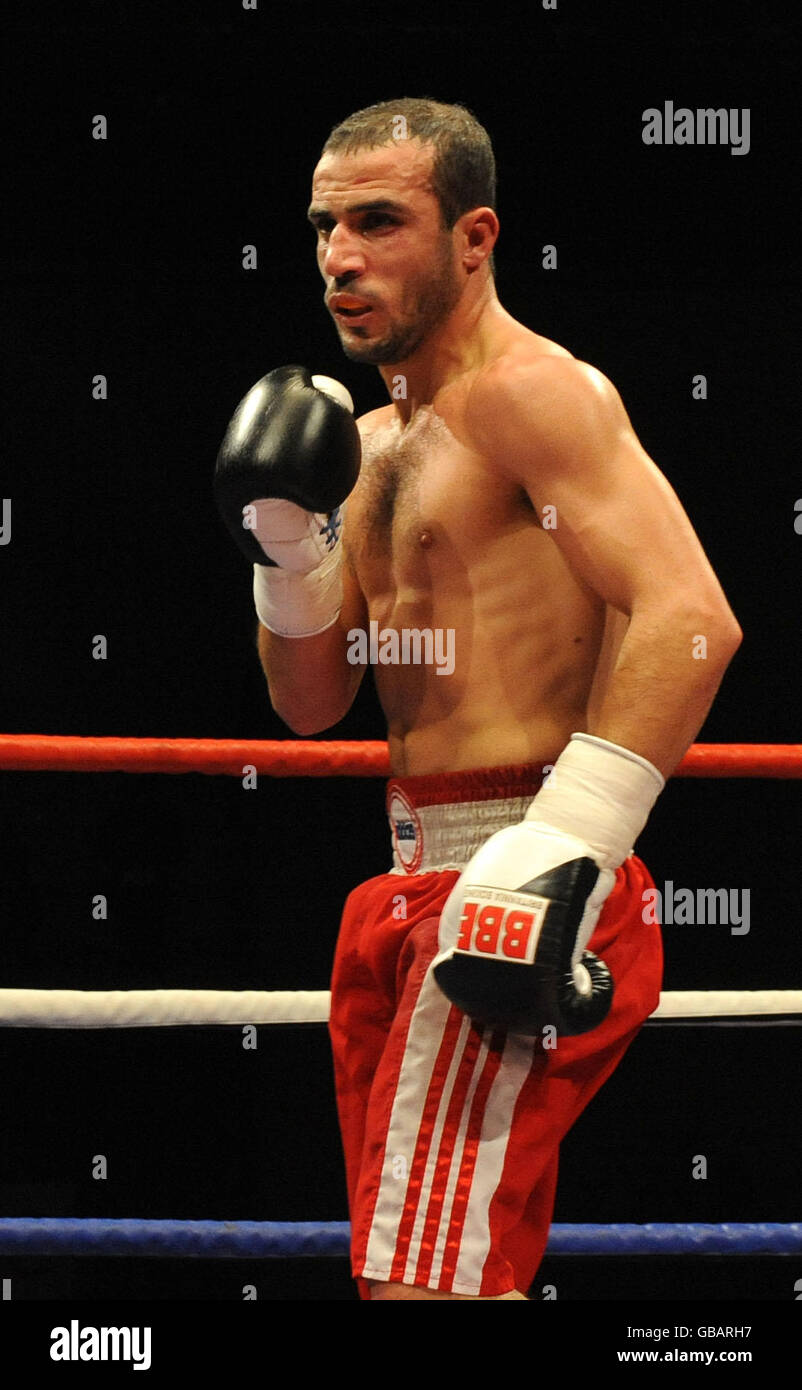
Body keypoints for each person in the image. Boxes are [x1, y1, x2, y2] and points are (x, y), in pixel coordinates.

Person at [215, 98, 742, 1300]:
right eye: (324, 226)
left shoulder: (533, 395)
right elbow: (310, 703)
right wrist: (288, 560)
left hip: (525, 864)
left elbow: (691, 618)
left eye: (380, 221)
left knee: (423, 1280)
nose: (340, 256)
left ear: (473, 235)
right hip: (408, 875)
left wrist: (563, 844)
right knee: (441, 1271)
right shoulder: (359, 441)